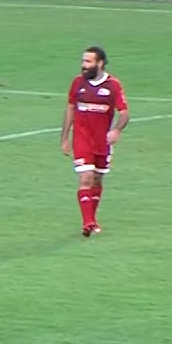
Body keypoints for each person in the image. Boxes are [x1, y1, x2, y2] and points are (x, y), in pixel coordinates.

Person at [61, 46, 129, 237]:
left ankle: (92, 218)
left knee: (97, 179)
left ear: (100, 63)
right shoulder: (77, 83)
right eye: (83, 61)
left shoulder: (113, 85)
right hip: (82, 140)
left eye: (88, 61)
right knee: (86, 178)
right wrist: (65, 137)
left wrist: (116, 129)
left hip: (103, 142)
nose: (84, 65)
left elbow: (124, 112)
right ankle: (87, 222)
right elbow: (70, 109)